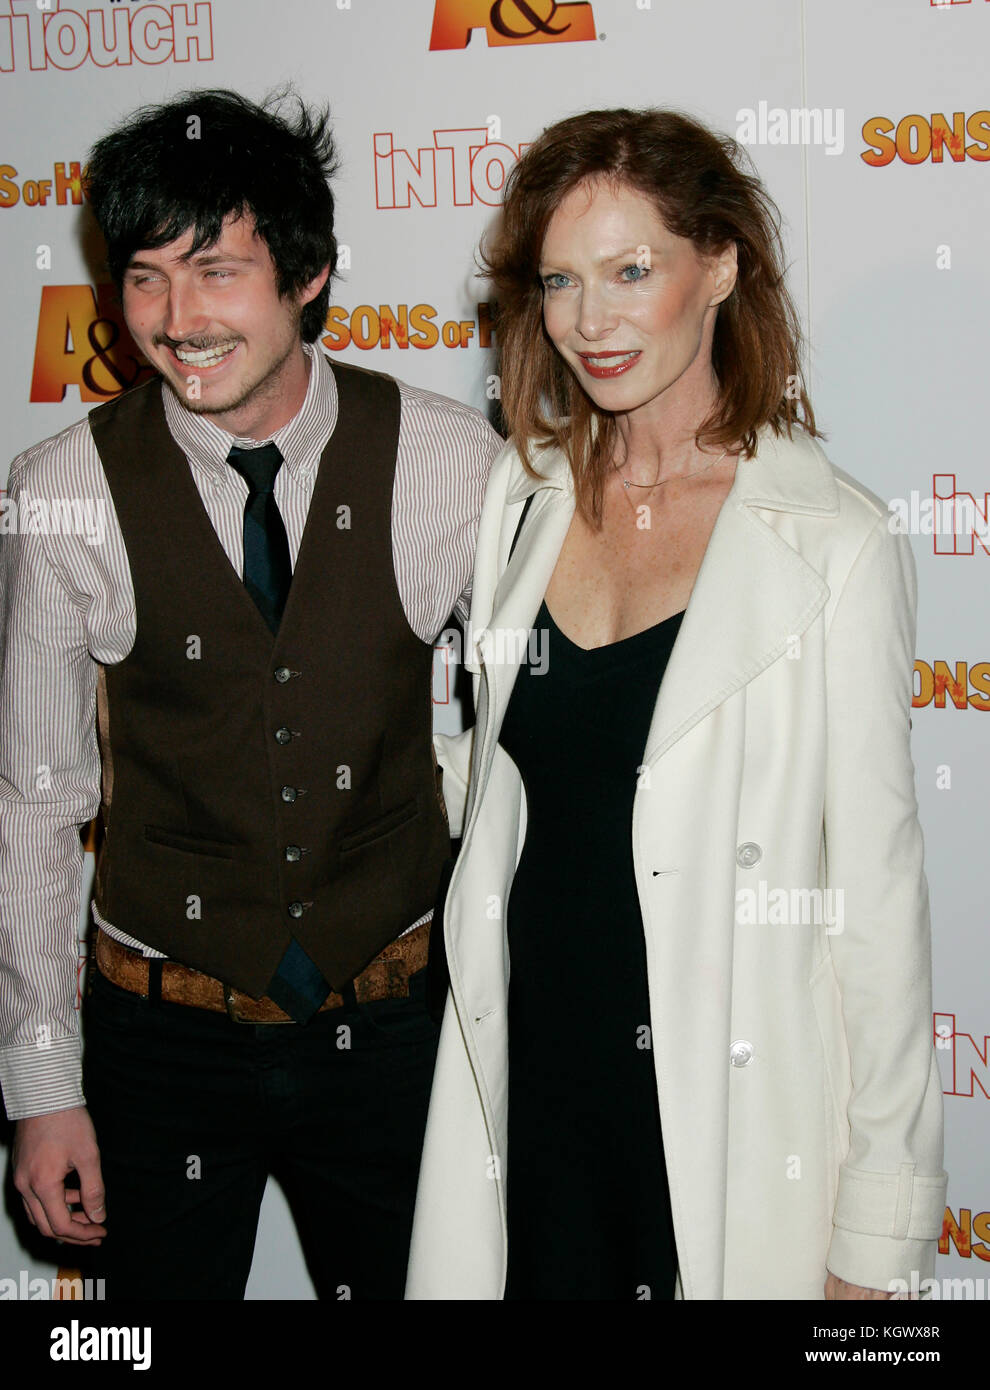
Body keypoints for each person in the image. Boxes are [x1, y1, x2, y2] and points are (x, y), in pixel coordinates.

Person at [405, 108, 947, 1301]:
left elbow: (877, 910)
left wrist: (876, 1237)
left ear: (722, 264)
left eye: (631, 271)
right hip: (529, 1080)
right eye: (560, 280)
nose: (590, 320)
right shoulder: (523, 496)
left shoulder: (832, 544)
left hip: (720, 1107)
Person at [0, 88, 500, 1300]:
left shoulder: (447, 463)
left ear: (311, 273)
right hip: (157, 1034)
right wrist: (43, 1089)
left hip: (391, 1025)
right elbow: (34, 801)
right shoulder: (63, 488)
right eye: (145, 277)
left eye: (216, 271)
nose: (178, 321)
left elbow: (522, 756)